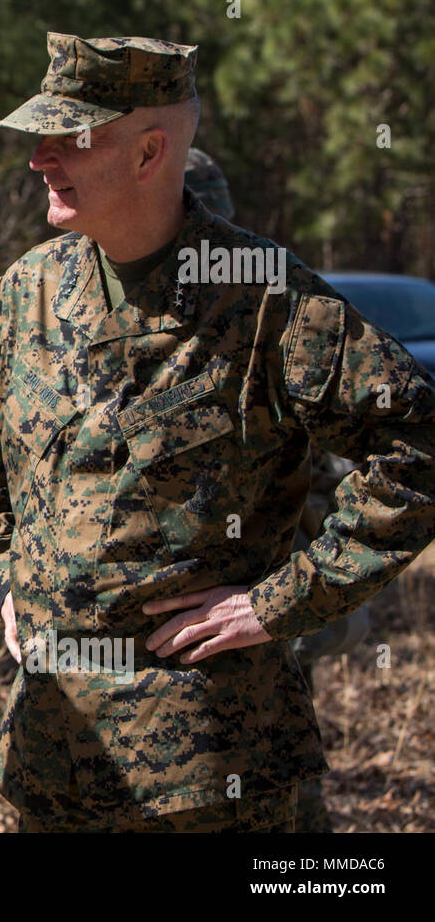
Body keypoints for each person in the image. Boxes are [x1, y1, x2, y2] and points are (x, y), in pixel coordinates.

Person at [0, 33, 435, 832]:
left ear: (148, 152)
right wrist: (2, 573)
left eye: (70, 137)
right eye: (41, 136)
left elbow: (417, 451)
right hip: (56, 755)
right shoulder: (18, 297)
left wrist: (278, 604)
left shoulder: (265, 298)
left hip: (211, 770)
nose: (39, 159)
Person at [185, 147, 367, 831]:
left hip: (269, 599)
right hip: (221, 616)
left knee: (281, 776)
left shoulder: (277, 315)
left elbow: (367, 465)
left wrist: (290, 592)